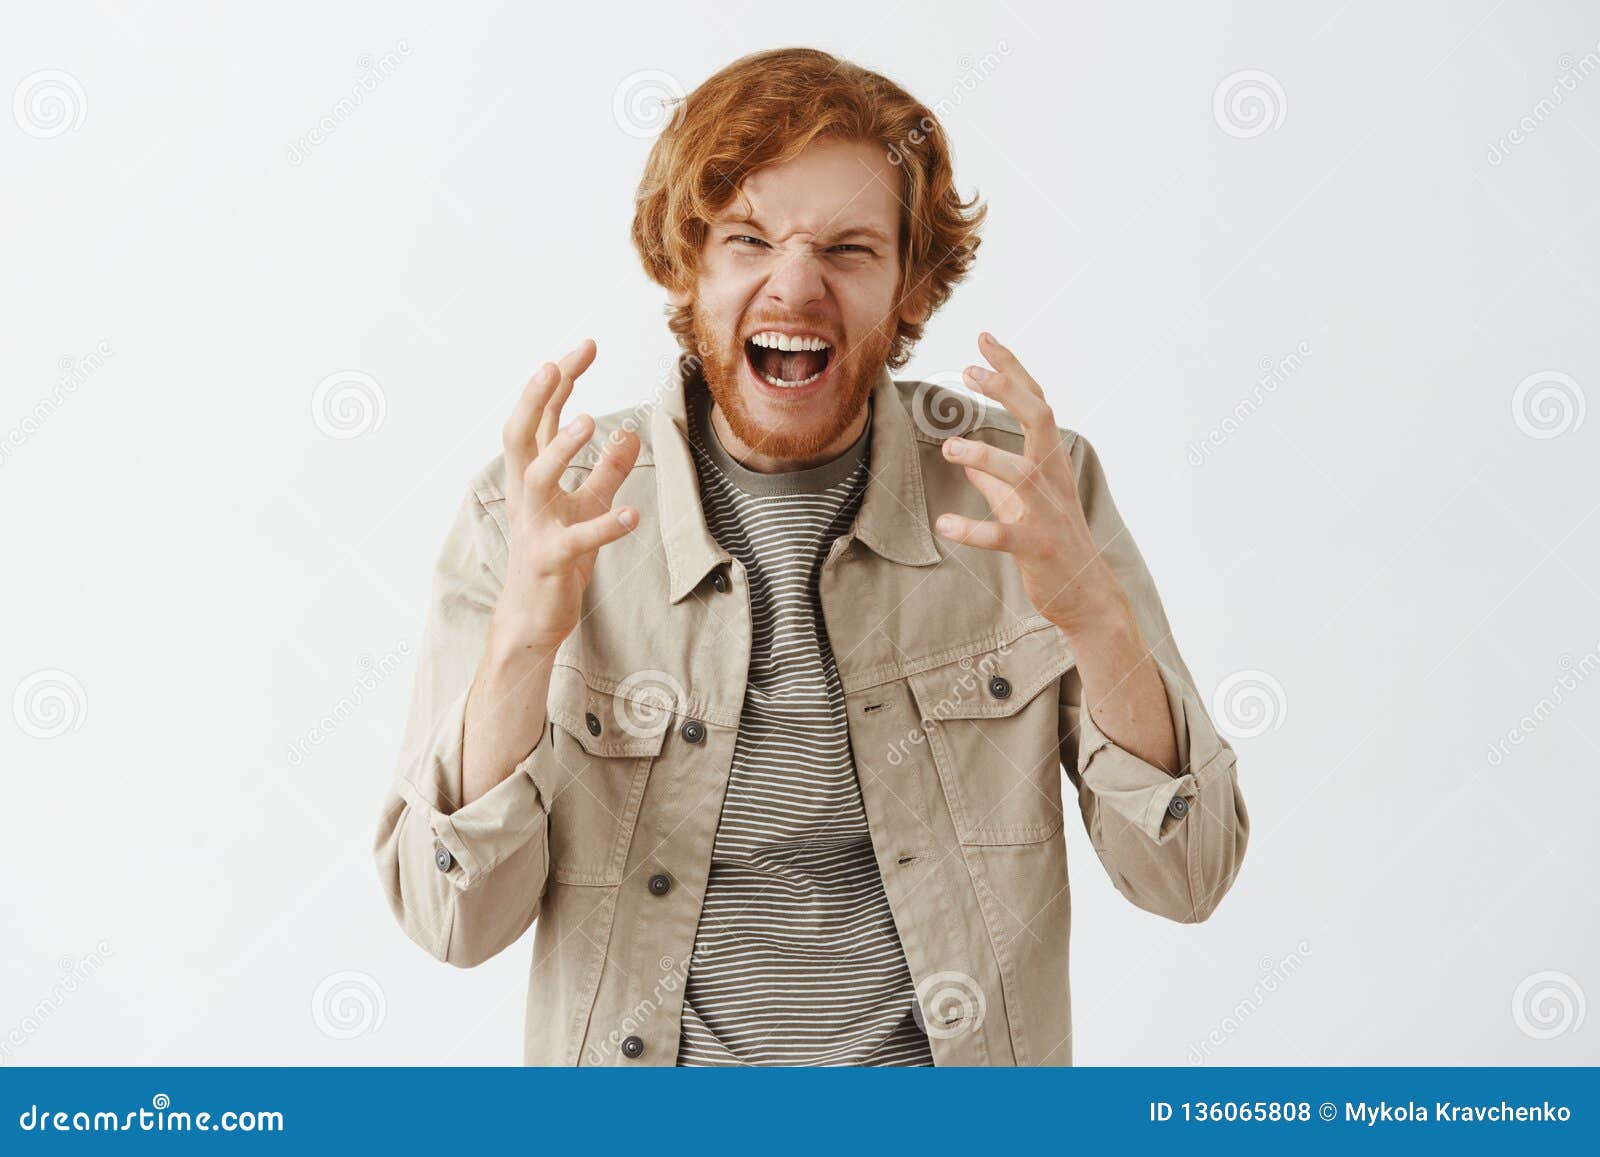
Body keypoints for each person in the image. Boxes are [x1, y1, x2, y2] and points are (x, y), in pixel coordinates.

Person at [373, 46, 1249, 1066]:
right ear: (683, 265)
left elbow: (1186, 875)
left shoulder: (1032, 493)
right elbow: (453, 921)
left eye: (848, 249)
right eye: (748, 239)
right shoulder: (531, 512)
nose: (795, 286)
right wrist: (524, 641)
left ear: (908, 290)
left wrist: (1097, 621)